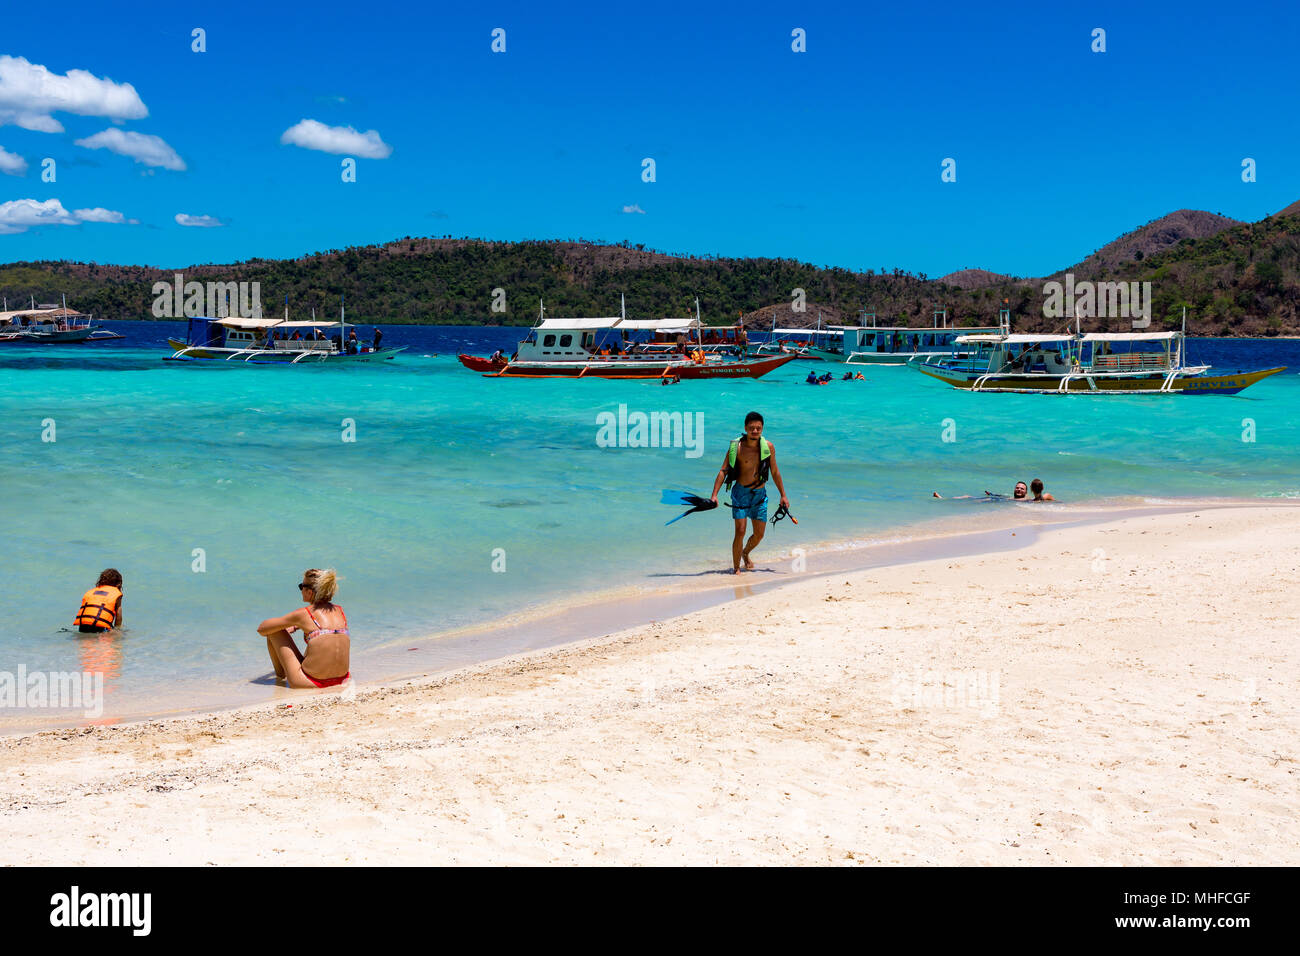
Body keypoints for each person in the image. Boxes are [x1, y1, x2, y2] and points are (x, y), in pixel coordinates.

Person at [710, 412, 790, 574]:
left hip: (759, 495)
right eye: (752, 428)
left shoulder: (768, 447)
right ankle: (736, 568)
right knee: (740, 530)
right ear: (745, 428)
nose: (755, 431)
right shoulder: (736, 447)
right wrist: (714, 495)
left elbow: (774, 472)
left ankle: (745, 553)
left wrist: (783, 495)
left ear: (762, 429)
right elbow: (723, 471)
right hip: (740, 493)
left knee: (759, 534)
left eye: (758, 428)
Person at [257, 568, 351, 689]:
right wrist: (296, 625)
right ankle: (282, 675)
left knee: (273, 631)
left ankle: (280, 676)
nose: (301, 590)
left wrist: (285, 625)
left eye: (301, 586)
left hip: (311, 681)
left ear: (310, 592)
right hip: (342, 679)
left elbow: (262, 629)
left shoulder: (304, 614)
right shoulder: (339, 610)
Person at [74, 569, 123, 634]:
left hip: (83, 627)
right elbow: (118, 615)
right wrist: (117, 629)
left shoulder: (91, 592)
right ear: (118, 583)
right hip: (100, 628)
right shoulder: (116, 594)